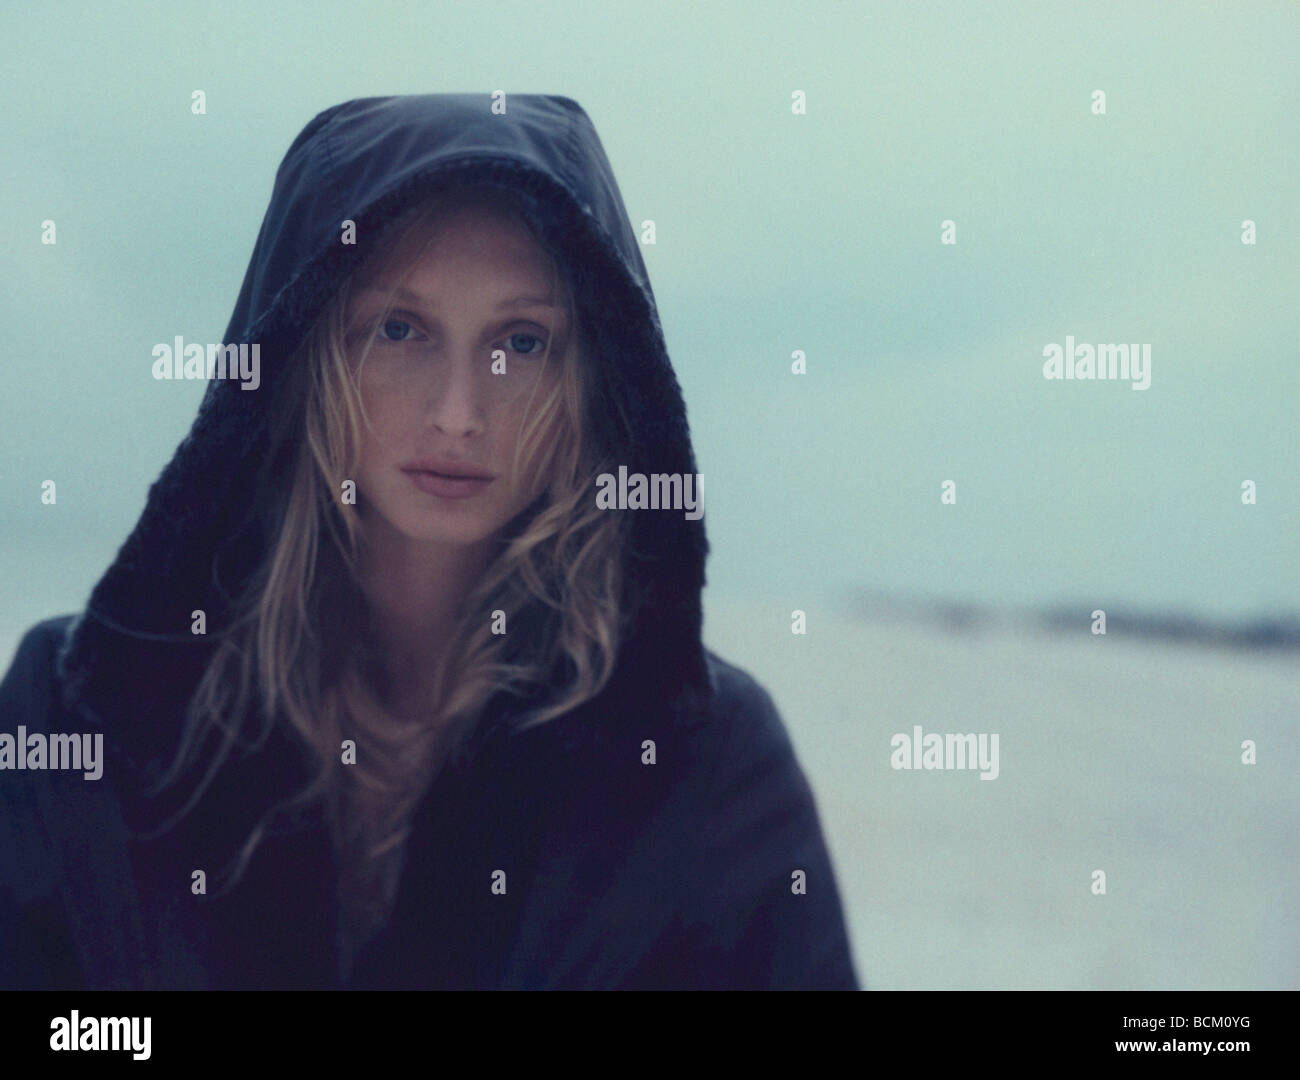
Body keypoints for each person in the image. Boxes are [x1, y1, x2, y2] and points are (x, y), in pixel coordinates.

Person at [0, 93, 858, 990]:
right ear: (307, 341)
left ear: (594, 374)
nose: (459, 414)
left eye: (521, 342)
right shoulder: (79, 715)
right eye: (400, 330)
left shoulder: (706, 764)